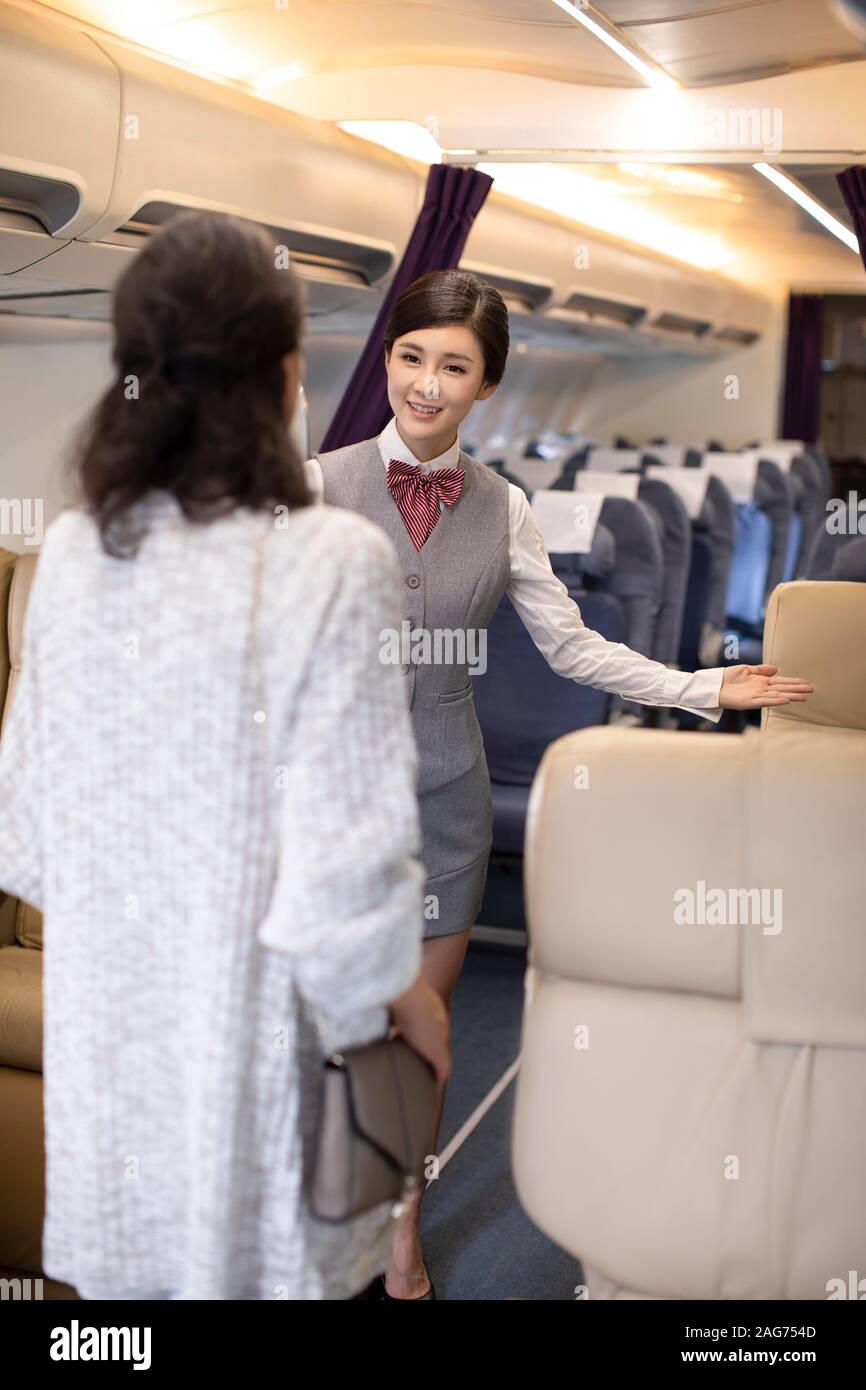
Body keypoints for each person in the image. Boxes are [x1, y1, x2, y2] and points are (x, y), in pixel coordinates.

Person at [304, 268, 815, 1299]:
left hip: (445, 803)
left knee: (419, 1044)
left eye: (453, 367)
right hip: (325, 808)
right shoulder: (311, 487)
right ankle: (308, 1228)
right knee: (324, 1037)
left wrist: (701, 683)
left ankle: (399, 1234)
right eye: (410, 357)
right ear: (387, 360)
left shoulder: (504, 509)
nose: (425, 385)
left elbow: (574, 649)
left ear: (487, 385)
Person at [0, 211, 449, 1300]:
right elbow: (349, 869)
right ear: (287, 372)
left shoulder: (70, 553)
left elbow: (27, 834)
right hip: (264, 1032)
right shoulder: (335, 564)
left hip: (110, 1020)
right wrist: (410, 1001)